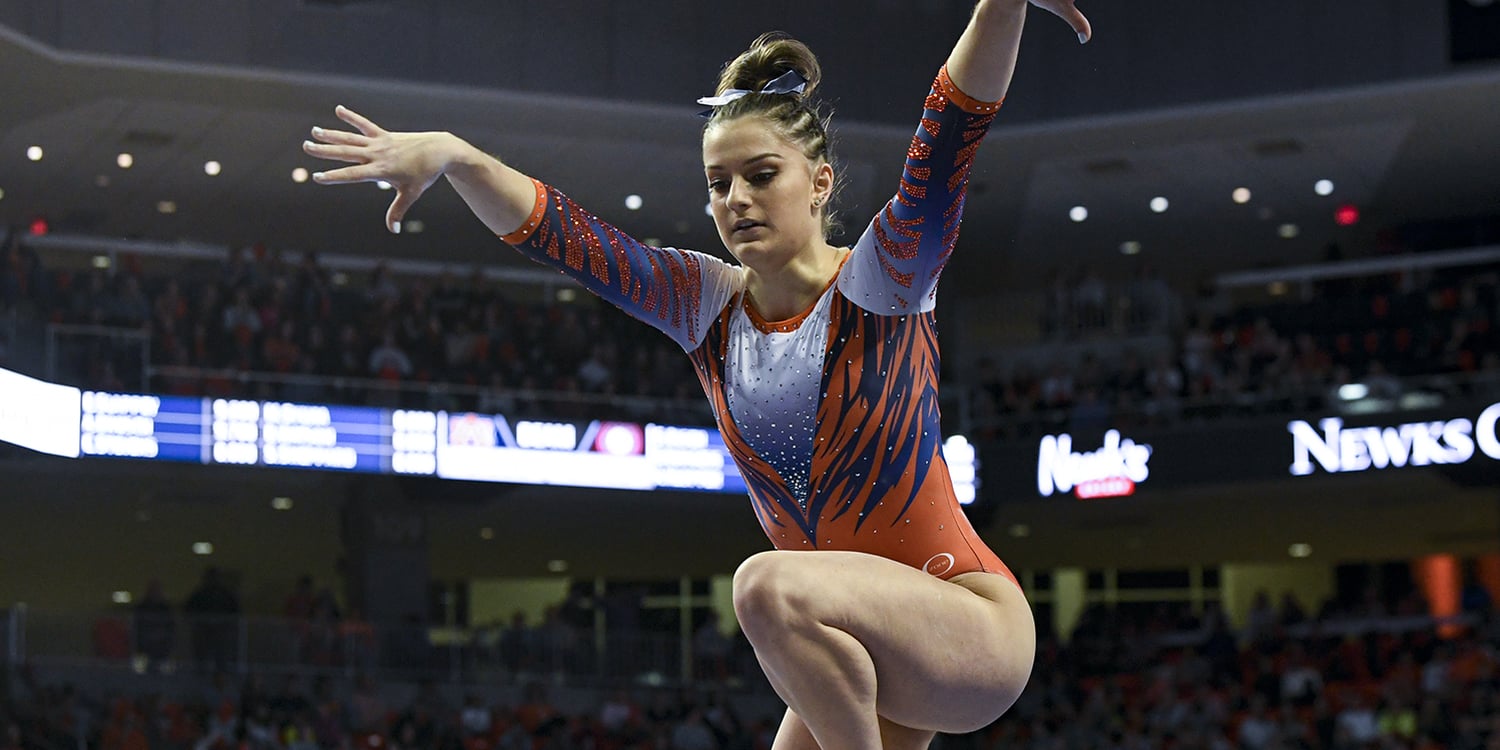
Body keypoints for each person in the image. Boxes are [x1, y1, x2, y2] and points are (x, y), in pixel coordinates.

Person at [305, 1, 1091, 746]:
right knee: (779, 594)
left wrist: (1001, 7)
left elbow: (947, 139)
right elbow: (569, 239)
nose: (736, 200)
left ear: (819, 182)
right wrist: (458, 156)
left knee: (762, 586)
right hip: (861, 642)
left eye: (760, 174)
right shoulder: (706, 306)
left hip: (968, 627)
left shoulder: (884, 280)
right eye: (718, 184)